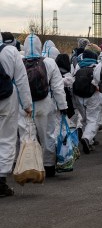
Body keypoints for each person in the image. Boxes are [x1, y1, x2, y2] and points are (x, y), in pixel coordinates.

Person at [20, 34, 67, 177]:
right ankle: (48, 165)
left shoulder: (19, 62)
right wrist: (63, 106)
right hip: (44, 103)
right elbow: (58, 87)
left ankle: (28, 166)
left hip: (24, 105)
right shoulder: (49, 62)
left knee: (27, 135)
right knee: (47, 135)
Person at [1, 32, 32, 197]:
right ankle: (1, 180)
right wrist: (27, 105)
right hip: (7, 99)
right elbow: (21, 79)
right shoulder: (11, 52)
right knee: (6, 139)